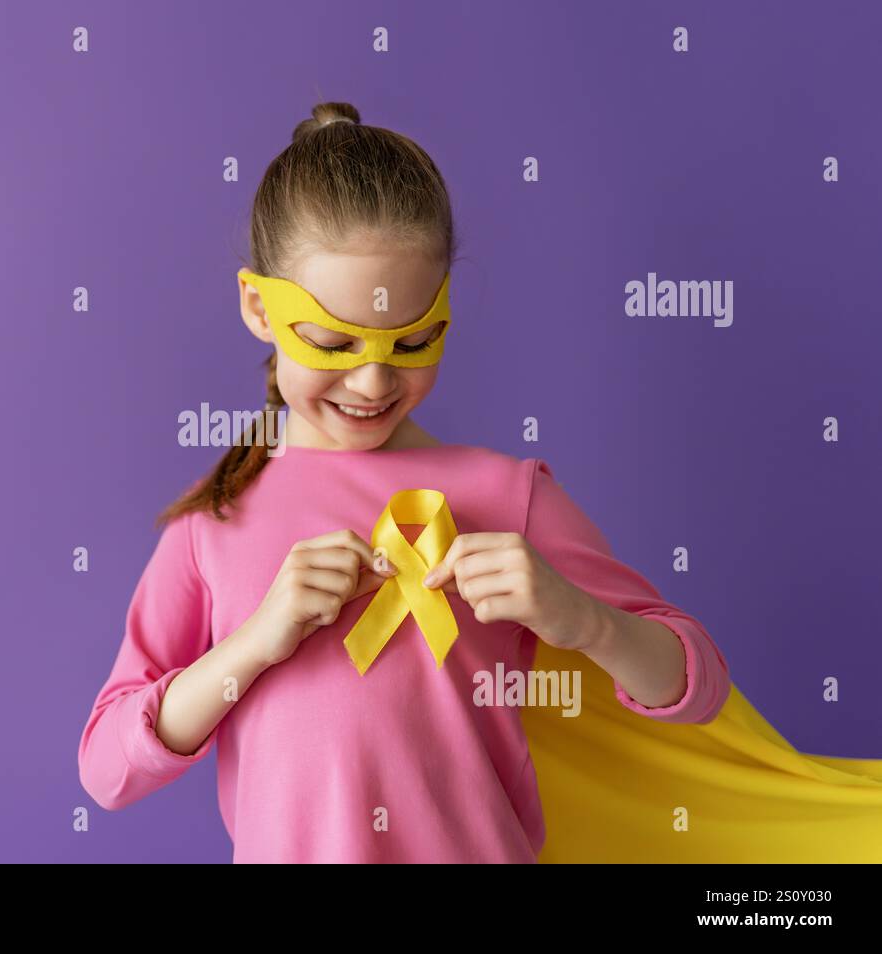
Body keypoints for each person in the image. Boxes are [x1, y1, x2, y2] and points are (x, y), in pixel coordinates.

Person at [77, 101, 732, 863]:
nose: (373, 380)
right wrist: (254, 643)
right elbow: (106, 769)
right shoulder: (214, 525)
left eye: (414, 340)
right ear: (259, 307)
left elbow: (698, 683)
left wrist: (581, 618)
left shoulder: (507, 495)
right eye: (332, 342)